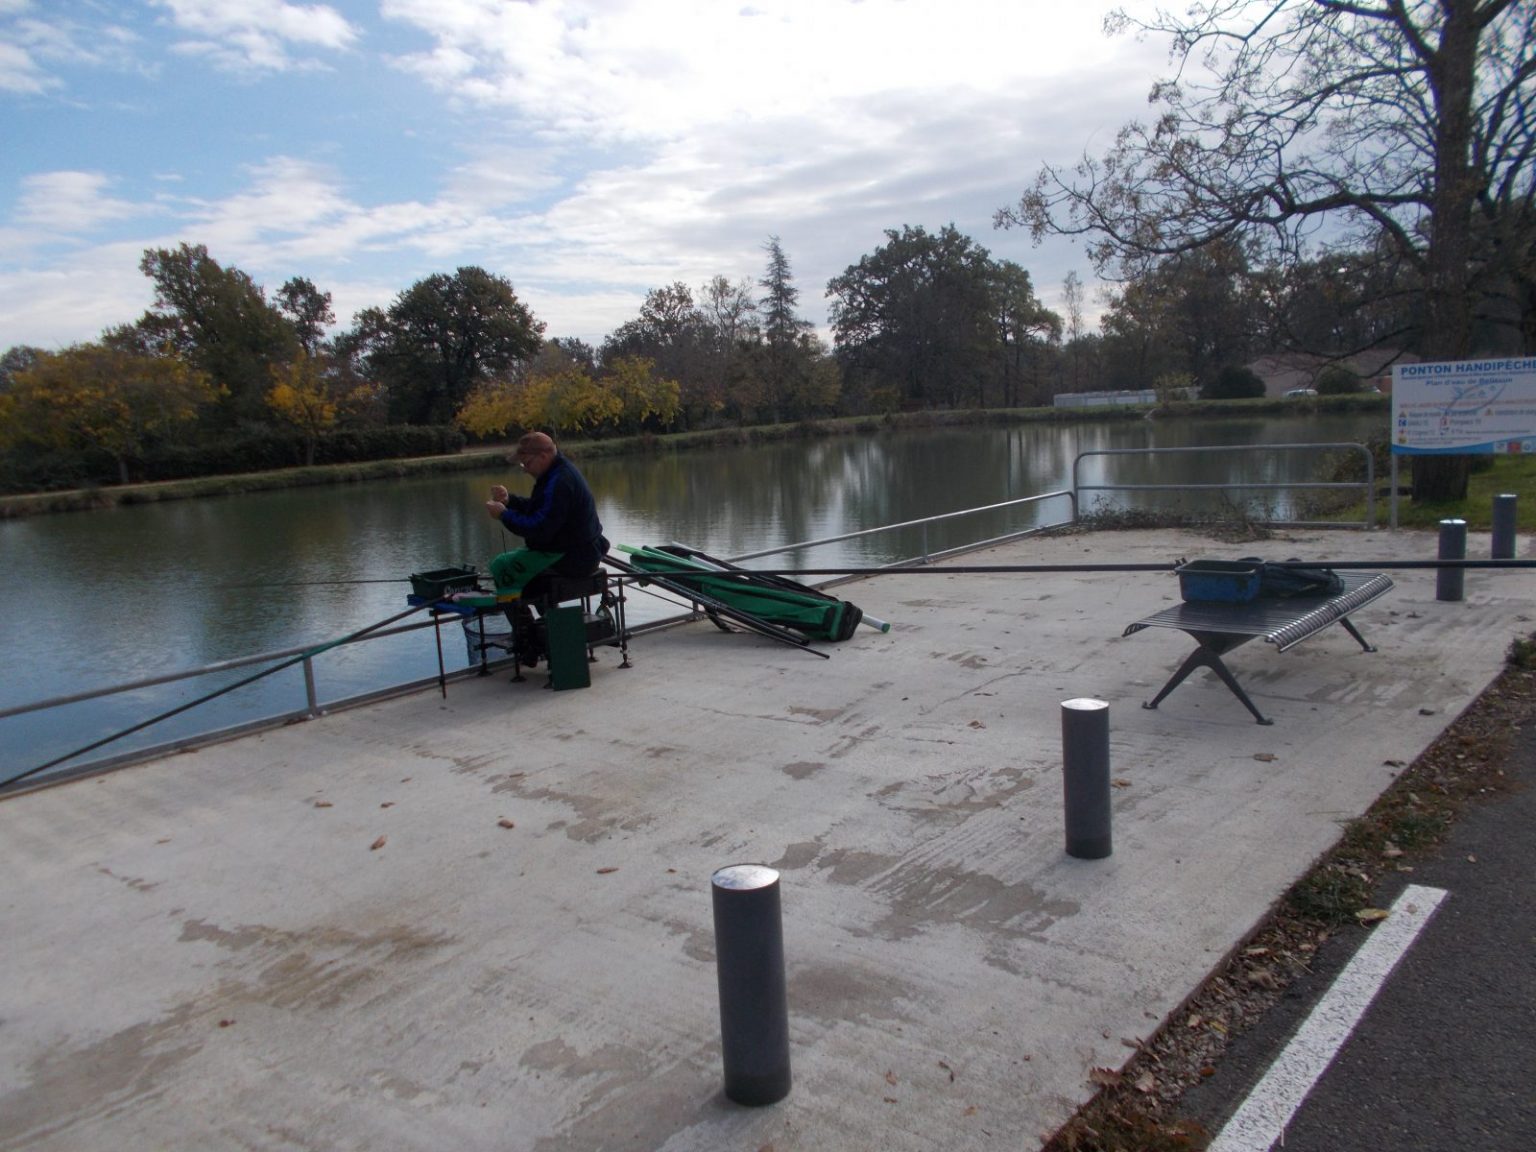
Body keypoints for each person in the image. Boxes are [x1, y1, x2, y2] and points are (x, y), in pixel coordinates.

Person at [484, 431, 609, 610]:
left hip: (575, 557)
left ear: (543, 456)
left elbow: (539, 527)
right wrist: (509, 501)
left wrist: (504, 515)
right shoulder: (556, 473)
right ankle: (543, 625)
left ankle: (526, 629)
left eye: (526, 463)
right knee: (509, 565)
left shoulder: (560, 481)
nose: (525, 469)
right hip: (580, 550)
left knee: (502, 566)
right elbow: (542, 510)